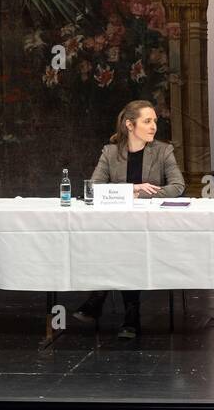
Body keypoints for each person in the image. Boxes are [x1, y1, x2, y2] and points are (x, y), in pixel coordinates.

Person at [73, 100, 185, 338]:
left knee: (125, 246)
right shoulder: (110, 152)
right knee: (122, 245)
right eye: (147, 121)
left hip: (150, 226)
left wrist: (140, 193)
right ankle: (130, 315)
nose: (154, 126)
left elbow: (177, 186)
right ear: (129, 125)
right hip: (117, 224)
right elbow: (93, 187)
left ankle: (99, 299)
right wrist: (132, 189)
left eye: (155, 121)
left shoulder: (163, 151)